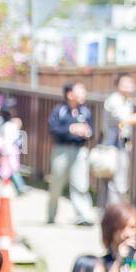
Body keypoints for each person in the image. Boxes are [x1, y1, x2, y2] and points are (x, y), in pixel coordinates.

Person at [46, 82, 96, 226]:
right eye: (81, 91)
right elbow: (53, 129)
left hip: (80, 150)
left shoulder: (85, 111)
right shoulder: (59, 110)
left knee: (81, 185)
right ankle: (51, 215)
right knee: (56, 184)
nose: (84, 94)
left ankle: (83, 216)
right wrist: (70, 129)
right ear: (70, 94)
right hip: (61, 149)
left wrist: (87, 132)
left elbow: (91, 130)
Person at [101, 73, 136, 207]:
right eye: (125, 83)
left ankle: (110, 213)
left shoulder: (126, 100)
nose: (129, 86)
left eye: (131, 83)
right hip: (113, 146)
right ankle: (115, 213)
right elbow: (126, 120)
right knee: (116, 183)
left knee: (114, 182)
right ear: (117, 85)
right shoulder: (115, 100)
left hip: (120, 145)